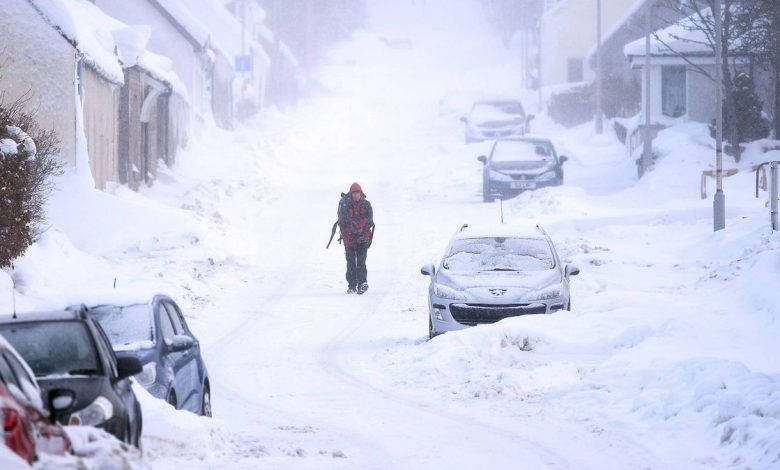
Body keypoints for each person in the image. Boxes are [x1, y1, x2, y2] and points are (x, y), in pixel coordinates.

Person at [338, 182, 374, 294]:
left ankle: (362, 283)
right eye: (354, 193)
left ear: (361, 193)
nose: (356, 195)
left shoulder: (367, 204)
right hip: (349, 239)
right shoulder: (345, 206)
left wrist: (360, 230)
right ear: (351, 194)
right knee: (351, 262)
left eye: (358, 193)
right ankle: (352, 285)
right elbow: (345, 222)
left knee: (361, 261)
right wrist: (356, 229)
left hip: (363, 238)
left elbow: (369, 221)